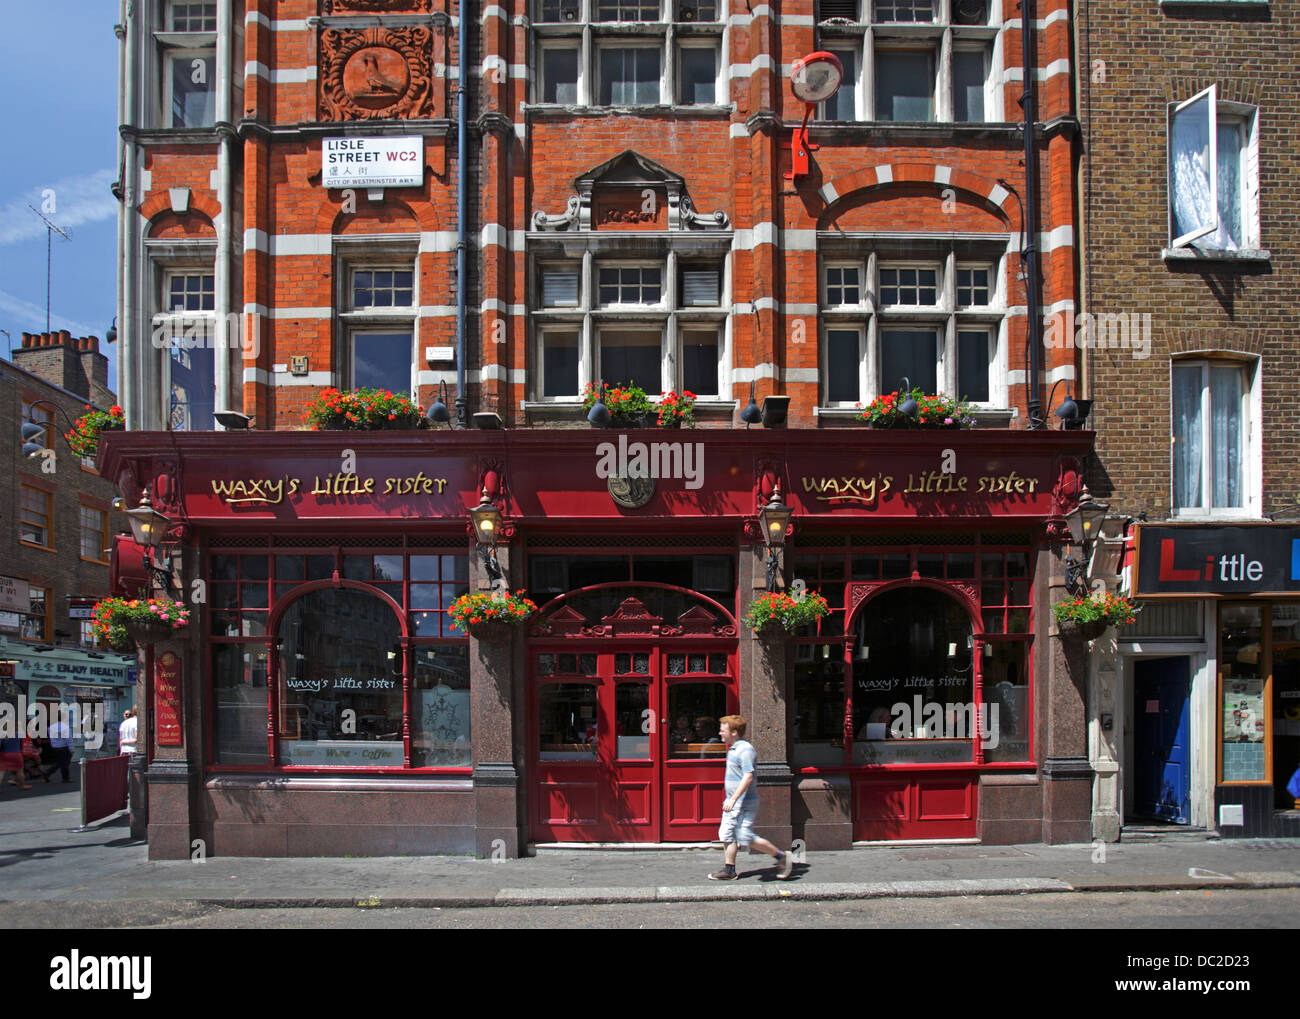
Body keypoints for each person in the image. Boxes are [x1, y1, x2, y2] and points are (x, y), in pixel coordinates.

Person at [708, 714, 795, 881]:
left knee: (744, 836)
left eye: (723, 730)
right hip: (733, 801)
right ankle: (729, 870)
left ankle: (781, 856)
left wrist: (733, 799)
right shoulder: (734, 748)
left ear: (734, 732)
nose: (720, 733)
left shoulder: (745, 749)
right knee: (727, 834)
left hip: (744, 803)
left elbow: (748, 775)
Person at [43, 714, 74, 783]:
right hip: (63, 746)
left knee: (61, 762)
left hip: (56, 746)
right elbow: (69, 739)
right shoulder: (65, 727)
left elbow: (51, 737)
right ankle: (64, 777)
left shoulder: (51, 727)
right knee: (64, 763)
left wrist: (53, 744)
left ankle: (48, 772)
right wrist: (71, 749)